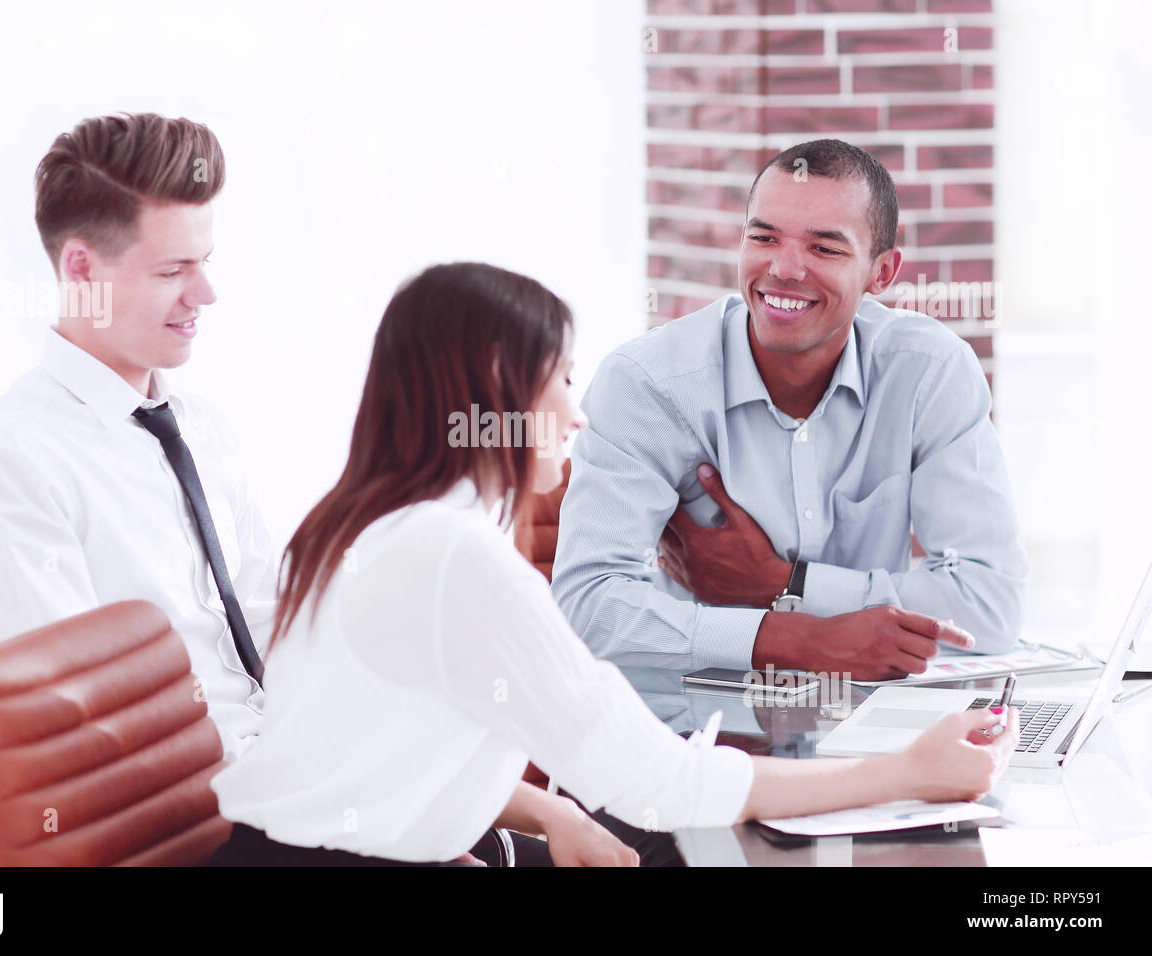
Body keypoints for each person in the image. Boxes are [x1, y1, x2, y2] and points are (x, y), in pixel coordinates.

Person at [209, 261, 1019, 867]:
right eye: (560, 378)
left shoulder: (356, 524)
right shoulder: (454, 557)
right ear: (498, 391)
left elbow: (380, 747)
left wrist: (550, 816)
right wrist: (909, 771)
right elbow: (659, 782)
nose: (580, 411)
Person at [552, 139, 1029, 683]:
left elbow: (991, 605)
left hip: (873, 725)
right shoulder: (649, 384)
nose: (783, 268)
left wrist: (784, 584)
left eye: (825, 248)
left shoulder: (928, 371)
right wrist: (797, 639)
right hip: (690, 728)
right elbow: (586, 607)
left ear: (882, 272)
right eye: (764, 237)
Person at [0, 113, 274, 759]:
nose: (207, 293)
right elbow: (79, 717)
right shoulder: (10, 461)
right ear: (82, 268)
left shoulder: (202, 428)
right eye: (173, 271)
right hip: (191, 819)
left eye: (204, 263)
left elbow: (269, 621)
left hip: (288, 777)